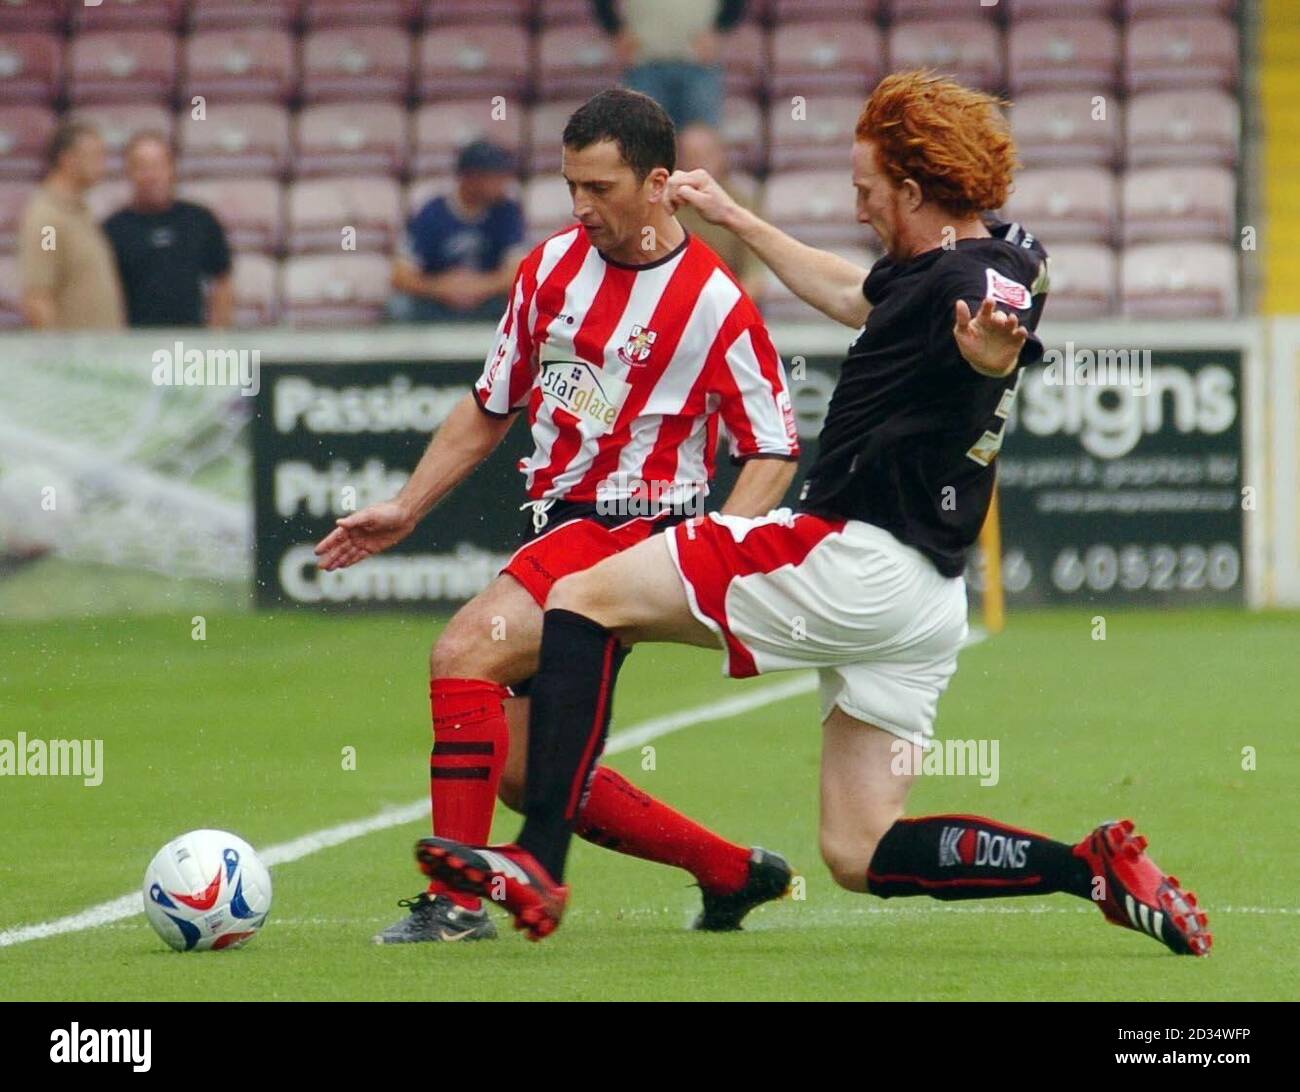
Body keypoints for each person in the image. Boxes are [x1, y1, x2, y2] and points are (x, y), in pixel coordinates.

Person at [416, 71, 1213, 958]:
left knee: (580, 598)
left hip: (849, 556)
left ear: (912, 192)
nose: (859, 204)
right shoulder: (996, 251)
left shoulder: (973, 277)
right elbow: (855, 295)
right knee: (860, 848)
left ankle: (538, 861)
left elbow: (991, 329)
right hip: (923, 602)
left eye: (866, 189)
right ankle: (1088, 868)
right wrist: (741, 219)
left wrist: (992, 361)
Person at [315, 89, 801, 944]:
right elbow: (489, 406)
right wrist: (407, 506)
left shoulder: (713, 301)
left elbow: (773, 446)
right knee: (526, 771)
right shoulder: (548, 269)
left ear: (658, 184)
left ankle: (457, 906)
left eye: (601, 188)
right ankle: (733, 872)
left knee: (462, 649)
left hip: (634, 531)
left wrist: (710, 549)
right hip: (557, 525)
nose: (582, 205)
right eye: (571, 184)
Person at [103, 132, 233, 328]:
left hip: (189, 345)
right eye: (141, 167)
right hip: (132, 345)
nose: (150, 176)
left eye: (157, 166)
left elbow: (221, 280)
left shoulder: (200, 220)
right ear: (128, 172)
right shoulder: (112, 229)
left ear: (172, 169)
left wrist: (217, 337)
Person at [388, 140, 525, 323]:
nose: (503, 183)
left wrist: (478, 286)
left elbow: (517, 272)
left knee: (523, 302)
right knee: (399, 306)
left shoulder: (507, 210)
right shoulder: (431, 212)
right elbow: (400, 276)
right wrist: (442, 288)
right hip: (437, 301)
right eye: (495, 176)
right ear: (470, 178)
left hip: (486, 300)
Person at [17, 121, 125, 330]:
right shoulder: (47, 220)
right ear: (68, 160)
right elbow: (39, 296)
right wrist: (58, 355)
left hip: (99, 351)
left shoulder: (80, 212)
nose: (103, 164)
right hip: (76, 357)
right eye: (95, 156)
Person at [594, 0, 745, 129]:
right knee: (645, 144)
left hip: (699, 65)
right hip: (644, 63)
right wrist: (616, 30)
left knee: (699, 141)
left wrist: (719, 29)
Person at [675, 123, 766, 302]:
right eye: (690, 156)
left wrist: (726, 310)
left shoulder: (741, 205)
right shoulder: (663, 206)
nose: (698, 164)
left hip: (726, 304)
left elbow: (755, 277)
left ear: (722, 156)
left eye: (706, 155)